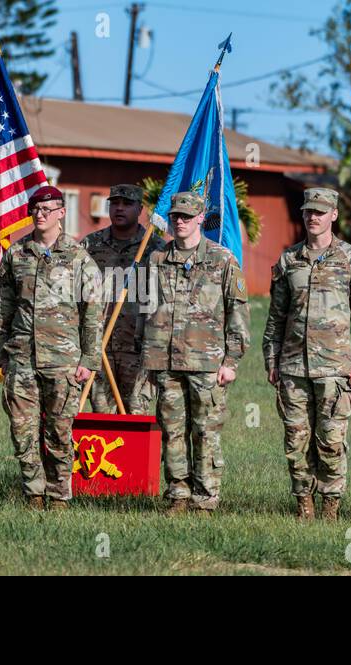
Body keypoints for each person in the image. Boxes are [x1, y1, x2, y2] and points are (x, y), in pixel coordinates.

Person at [263, 187, 351, 521]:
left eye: (320, 211)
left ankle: (330, 505)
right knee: (296, 442)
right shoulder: (288, 261)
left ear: (334, 215)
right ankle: (304, 504)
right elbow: (275, 319)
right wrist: (271, 361)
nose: (313, 217)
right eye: (308, 212)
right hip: (293, 369)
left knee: (330, 441)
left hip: (336, 370)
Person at [133, 191, 249, 514]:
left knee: (205, 429)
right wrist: (145, 351)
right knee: (172, 430)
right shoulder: (156, 259)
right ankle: (178, 494)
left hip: (207, 362)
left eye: (186, 216)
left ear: (200, 218)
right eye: (175, 216)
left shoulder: (222, 259)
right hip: (165, 359)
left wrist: (232, 360)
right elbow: (144, 307)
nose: (180, 221)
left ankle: (205, 498)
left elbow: (238, 312)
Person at [0, 185, 103, 510]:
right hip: (22, 357)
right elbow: (5, 308)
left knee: (59, 430)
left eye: (48, 209)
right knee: (23, 431)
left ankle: (58, 495)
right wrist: (3, 353)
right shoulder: (16, 254)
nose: (40, 215)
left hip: (64, 360)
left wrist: (89, 358)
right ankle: (33, 493)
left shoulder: (78, 257)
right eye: (36, 210)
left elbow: (92, 312)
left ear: (61, 213)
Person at [81, 183, 156, 413]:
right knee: (102, 418)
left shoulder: (155, 249)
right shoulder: (89, 246)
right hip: (99, 349)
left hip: (138, 350)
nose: (119, 209)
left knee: (135, 415)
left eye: (127, 204)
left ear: (140, 209)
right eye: (114, 203)